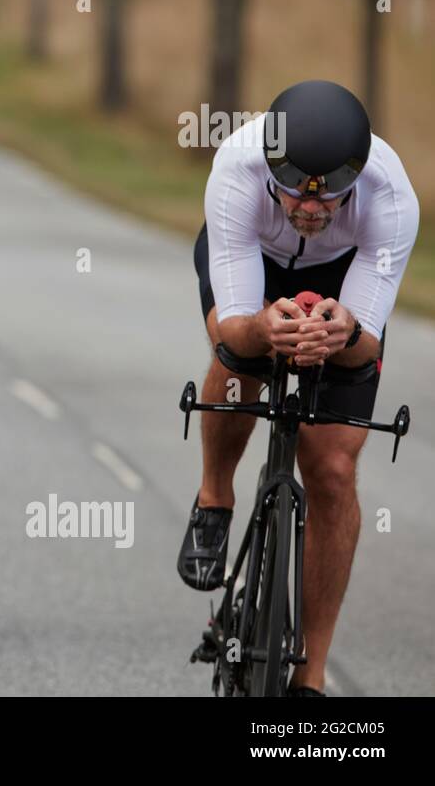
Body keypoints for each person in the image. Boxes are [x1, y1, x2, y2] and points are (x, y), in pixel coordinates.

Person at [181, 79, 419, 696]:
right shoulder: (235, 169)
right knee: (239, 363)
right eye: (295, 189)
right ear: (271, 168)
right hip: (252, 255)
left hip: (345, 273)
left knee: (332, 469)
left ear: (357, 176)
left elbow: (365, 340)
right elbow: (232, 328)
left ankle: (311, 675)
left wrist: (343, 334)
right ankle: (214, 499)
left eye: (330, 193)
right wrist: (265, 328)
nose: (311, 207)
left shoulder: (390, 197)